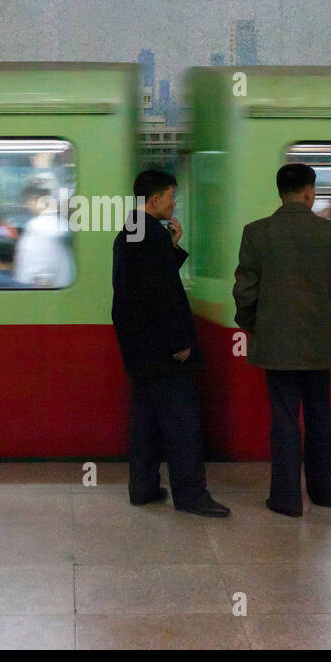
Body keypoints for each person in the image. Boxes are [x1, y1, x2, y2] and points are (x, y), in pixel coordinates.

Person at [233, 163, 331, 516]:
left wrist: (255, 325)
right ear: (310, 192)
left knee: (284, 419)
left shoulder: (256, 233)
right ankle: (327, 494)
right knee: (321, 416)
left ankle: (286, 500)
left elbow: (245, 291)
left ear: (280, 193)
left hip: (276, 345)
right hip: (320, 345)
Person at [111, 170, 229, 518]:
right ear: (155, 199)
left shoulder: (129, 233)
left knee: (145, 421)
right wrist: (179, 342)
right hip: (163, 351)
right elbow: (163, 295)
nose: (174, 201)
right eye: (171, 195)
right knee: (182, 424)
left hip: (139, 349)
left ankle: (143, 487)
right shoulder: (150, 238)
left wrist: (172, 246)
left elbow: (140, 285)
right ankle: (191, 494)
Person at [13, 181, 75, 287]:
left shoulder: (38, 227)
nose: (27, 207)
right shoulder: (62, 224)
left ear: (36, 199)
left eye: (28, 202)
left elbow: (39, 272)